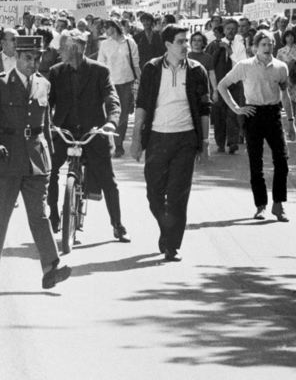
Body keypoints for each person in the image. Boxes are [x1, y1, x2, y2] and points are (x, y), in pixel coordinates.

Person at [0, 34, 71, 289]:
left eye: (37, 58)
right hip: (6, 158)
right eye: (28, 58)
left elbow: (45, 123)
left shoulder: (43, 84)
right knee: (1, 214)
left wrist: (50, 154)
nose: (33, 63)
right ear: (16, 57)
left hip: (36, 160)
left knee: (39, 215)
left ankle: (51, 267)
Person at [130, 25, 211, 262]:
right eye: (180, 41)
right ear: (167, 45)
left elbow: (204, 109)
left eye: (186, 41)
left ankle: (172, 244)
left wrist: (205, 143)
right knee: (154, 195)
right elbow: (141, 104)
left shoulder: (197, 71)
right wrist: (136, 139)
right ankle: (166, 229)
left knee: (177, 196)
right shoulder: (152, 69)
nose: (186, 45)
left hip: (185, 139)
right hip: (157, 138)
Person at [47, 29, 127, 240]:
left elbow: (111, 99)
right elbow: (47, 103)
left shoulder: (100, 71)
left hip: (93, 132)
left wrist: (111, 123)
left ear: (75, 48)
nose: (59, 52)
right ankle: (53, 214)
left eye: (62, 48)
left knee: (108, 180)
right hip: (64, 131)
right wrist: (46, 123)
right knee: (50, 170)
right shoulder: (56, 72)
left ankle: (117, 225)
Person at [218, 29, 296, 222]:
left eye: (270, 44)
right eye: (263, 44)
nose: (267, 48)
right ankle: (260, 205)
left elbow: (285, 95)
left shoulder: (280, 67)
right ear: (255, 47)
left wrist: (291, 122)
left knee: (282, 160)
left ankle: (278, 204)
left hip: (273, 113)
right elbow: (222, 85)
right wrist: (237, 108)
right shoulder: (244, 66)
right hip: (253, 114)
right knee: (256, 161)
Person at [97, 19, 139, 157]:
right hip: (109, 83)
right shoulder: (104, 44)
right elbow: (100, 64)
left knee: (123, 114)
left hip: (126, 83)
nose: (105, 31)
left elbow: (136, 64)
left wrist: (140, 82)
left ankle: (119, 144)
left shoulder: (129, 42)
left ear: (114, 27)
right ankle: (109, 143)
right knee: (108, 113)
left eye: (106, 27)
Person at [276, 30, 296, 120]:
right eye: (287, 36)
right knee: (286, 94)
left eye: (292, 36)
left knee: (295, 95)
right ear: (284, 38)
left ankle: (294, 113)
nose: (290, 38)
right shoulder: (281, 51)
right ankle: (289, 114)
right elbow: (277, 64)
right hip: (285, 76)